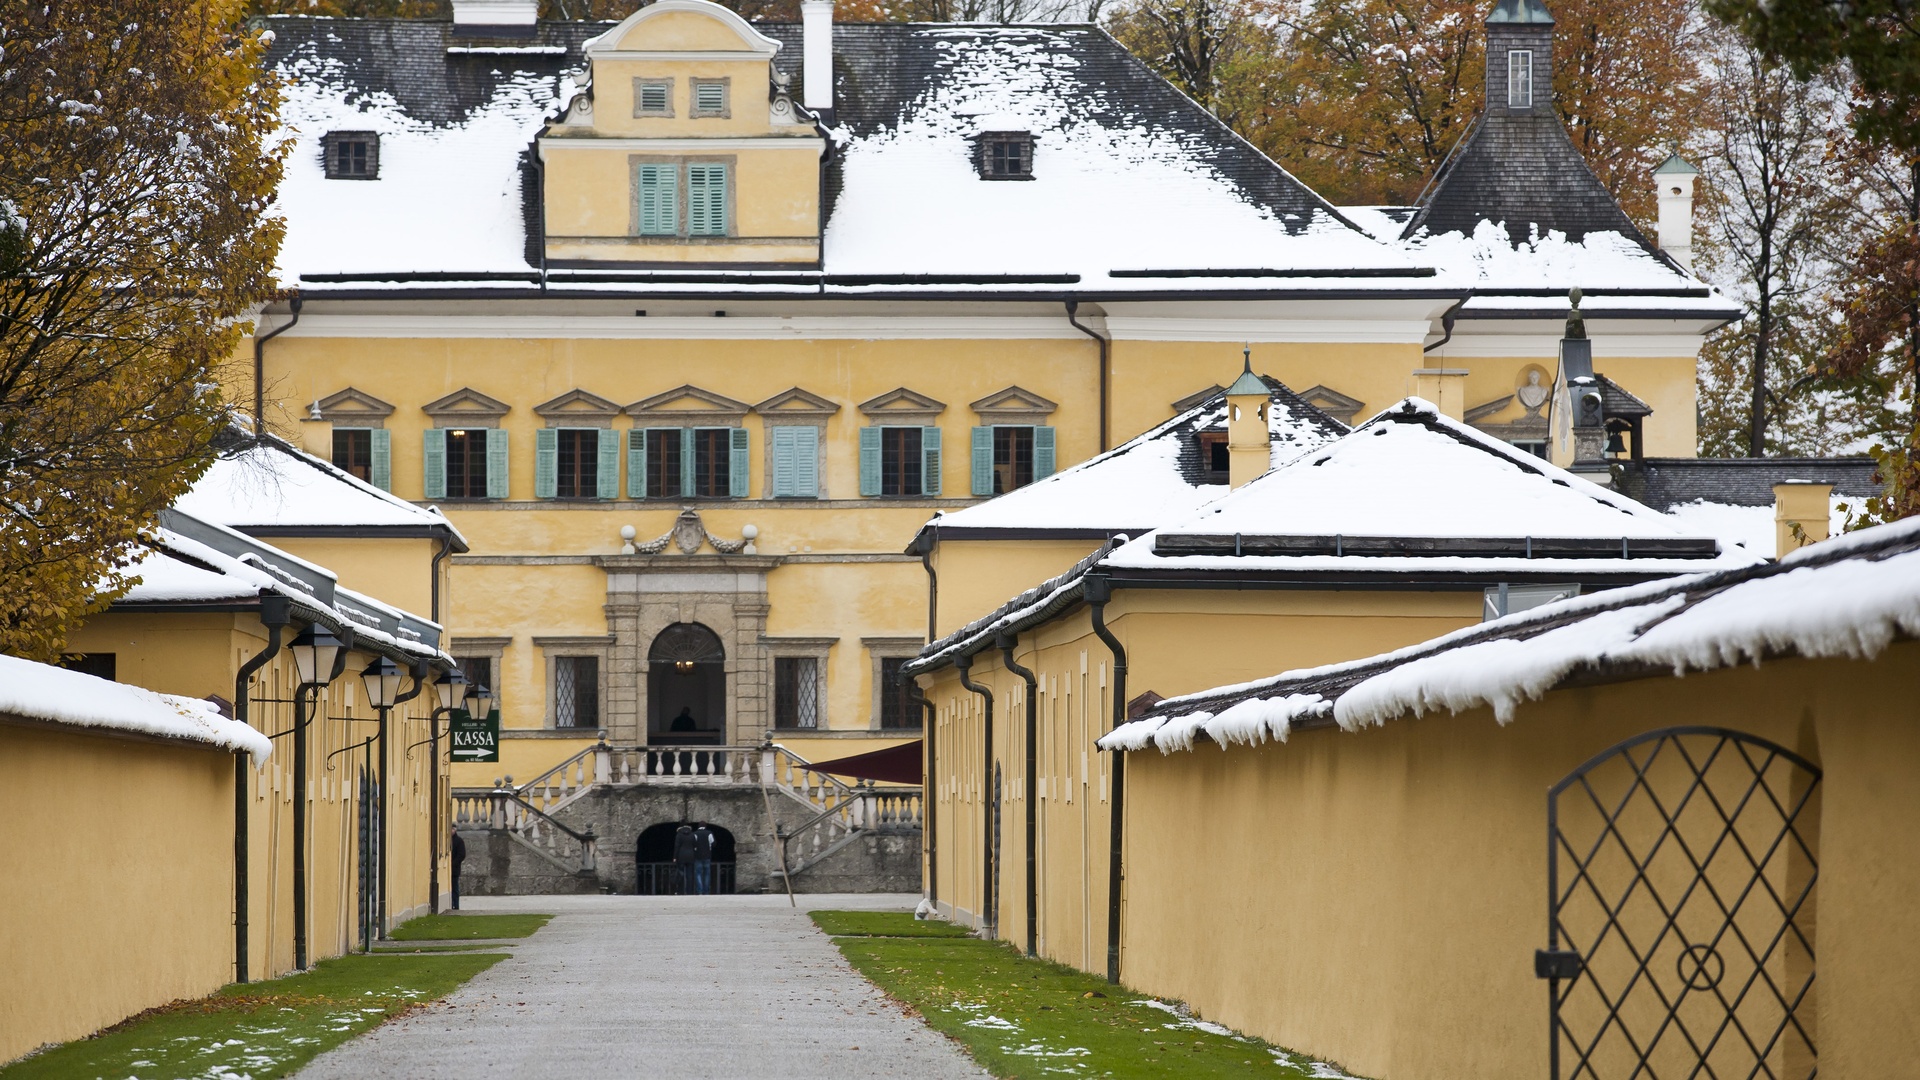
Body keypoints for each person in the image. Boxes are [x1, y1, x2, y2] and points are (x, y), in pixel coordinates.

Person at [671, 823, 698, 895]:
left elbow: (677, 846)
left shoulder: (679, 835)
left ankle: (681, 891)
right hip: (691, 856)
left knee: (680, 874)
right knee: (689, 875)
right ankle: (690, 891)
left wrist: (674, 857)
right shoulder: (692, 835)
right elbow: (695, 846)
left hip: (681, 856)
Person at [693, 822, 715, 895]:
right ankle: (706, 891)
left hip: (698, 856)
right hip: (707, 855)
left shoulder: (695, 833)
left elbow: (693, 844)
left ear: (698, 826)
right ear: (705, 826)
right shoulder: (709, 833)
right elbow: (713, 843)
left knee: (698, 873)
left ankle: (699, 890)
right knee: (707, 874)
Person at [449, 830, 466, 910]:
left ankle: (456, 905)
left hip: (455, 869)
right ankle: (451, 904)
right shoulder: (447, 840)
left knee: (455, 888)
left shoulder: (459, 841)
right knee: (452, 888)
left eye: (453, 829)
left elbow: (462, 854)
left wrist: (453, 863)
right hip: (451, 868)